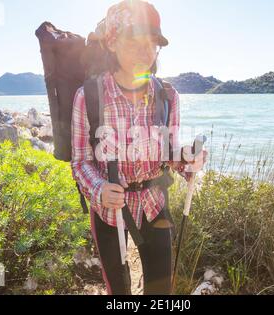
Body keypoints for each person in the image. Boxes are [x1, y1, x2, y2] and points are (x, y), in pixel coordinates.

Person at [71, 0, 208, 295]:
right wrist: (98, 190)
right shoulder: (89, 97)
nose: (146, 51)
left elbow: (169, 154)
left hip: (154, 206)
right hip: (109, 212)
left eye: (153, 44)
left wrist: (187, 160)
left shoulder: (168, 96)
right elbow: (80, 161)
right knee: (119, 292)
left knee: (160, 292)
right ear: (112, 43)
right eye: (134, 42)